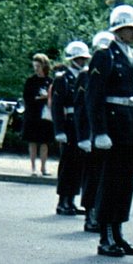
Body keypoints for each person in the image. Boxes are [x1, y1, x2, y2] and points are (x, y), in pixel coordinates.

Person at [87, 4, 133, 257]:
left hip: (128, 123)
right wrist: (99, 131)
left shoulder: (131, 56)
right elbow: (94, 96)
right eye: (129, 28)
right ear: (118, 30)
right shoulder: (105, 55)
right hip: (112, 126)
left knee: (125, 181)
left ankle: (118, 233)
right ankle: (105, 237)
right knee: (111, 182)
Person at [77, 31, 114, 233]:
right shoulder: (86, 73)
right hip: (93, 131)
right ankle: (90, 213)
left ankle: (99, 213)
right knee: (92, 176)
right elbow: (84, 107)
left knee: (103, 176)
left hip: (107, 130)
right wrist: (84, 136)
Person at [51, 41, 90, 216]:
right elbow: (57, 106)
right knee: (67, 164)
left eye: (83, 58)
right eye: (78, 58)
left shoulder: (85, 76)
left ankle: (72, 200)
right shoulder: (62, 78)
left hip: (80, 124)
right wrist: (59, 130)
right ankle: (63, 201)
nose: (81, 61)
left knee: (78, 164)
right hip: (68, 123)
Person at [23, 54, 52, 177]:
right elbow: (26, 97)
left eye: (38, 66)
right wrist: (39, 97)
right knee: (33, 142)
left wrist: (47, 98)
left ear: (44, 66)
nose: (36, 69)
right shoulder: (30, 80)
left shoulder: (50, 81)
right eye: (34, 66)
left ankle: (44, 168)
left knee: (45, 142)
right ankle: (33, 168)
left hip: (46, 115)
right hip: (32, 114)